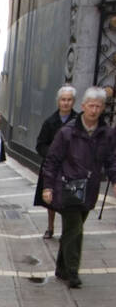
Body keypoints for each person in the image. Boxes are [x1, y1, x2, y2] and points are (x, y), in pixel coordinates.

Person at [42, 87, 116, 288]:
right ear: (83, 106)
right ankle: (73, 272)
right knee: (75, 228)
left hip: (89, 188)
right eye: (91, 105)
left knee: (73, 228)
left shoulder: (106, 134)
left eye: (98, 106)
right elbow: (52, 160)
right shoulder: (67, 132)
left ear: (102, 109)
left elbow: (111, 159)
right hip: (68, 186)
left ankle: (61, 268)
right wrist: (48, 187)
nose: (94, 110)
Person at [34, 87, 77, 239]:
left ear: (74, 102)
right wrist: (52, 154)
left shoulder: (78, 122)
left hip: (71, 167)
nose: (66, 103)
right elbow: (40, 145)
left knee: (69, 199)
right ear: (58, 101)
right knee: (50, 199)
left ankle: (68, 229)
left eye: (69, 100)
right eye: (63, 100)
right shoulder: (50, 122)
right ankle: (50, 227)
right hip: (53, 166)